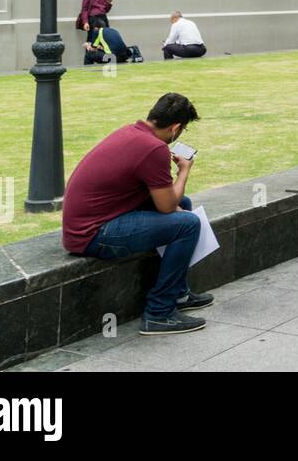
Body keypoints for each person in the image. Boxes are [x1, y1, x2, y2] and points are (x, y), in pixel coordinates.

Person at [62, 93, 211, 336]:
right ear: (175, 128)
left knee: (183, 203)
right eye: (183, 129)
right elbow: (166, 207)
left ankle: (179, 293)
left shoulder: (132, 132)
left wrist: (174, 203)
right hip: (93, 234)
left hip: (87, 224)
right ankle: (159, 313)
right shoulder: (153, 149)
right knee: (188, 225)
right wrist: (183, 172)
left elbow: (170, 202)